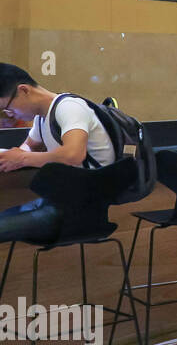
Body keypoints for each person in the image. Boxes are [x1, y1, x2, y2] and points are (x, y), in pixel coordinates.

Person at [0, 64, 117, 244]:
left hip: (82, 209)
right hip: (60, 201)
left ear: (23, 90)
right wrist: (11, 157)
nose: (12, 115)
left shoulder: (69, 107)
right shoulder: (41, 117)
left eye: (8, 108)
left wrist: (21, 158)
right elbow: (27, 148)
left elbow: (73, 155)